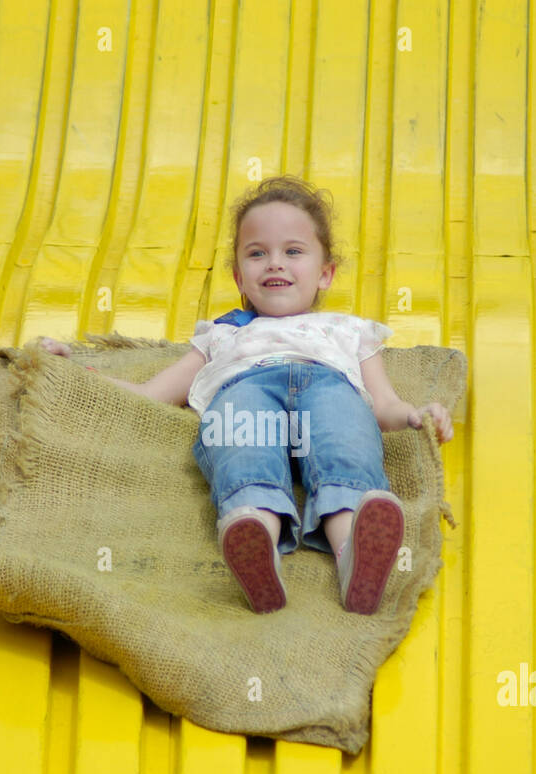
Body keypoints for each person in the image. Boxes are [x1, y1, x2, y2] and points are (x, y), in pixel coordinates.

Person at [41, 174, 453, 614]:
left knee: (347, 443)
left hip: (329, 389)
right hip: (245, 390)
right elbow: (152, 393)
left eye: (293, 252)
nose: (275, 263)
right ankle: (256, 542)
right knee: (244, 449)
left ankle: (354, 556)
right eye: (258, 254)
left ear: (325, 273)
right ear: (239, 275)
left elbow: (382, 403)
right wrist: (75, 371)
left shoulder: (350, 331)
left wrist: (415, 415)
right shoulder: (221, 334)